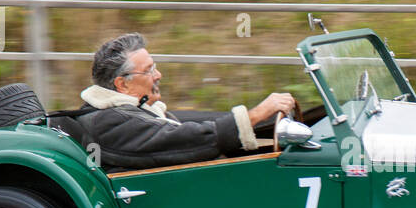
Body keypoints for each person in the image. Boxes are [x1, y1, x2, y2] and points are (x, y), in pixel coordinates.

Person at [66, 32, 295, 172]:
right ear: (122, 84)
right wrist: (256, 114)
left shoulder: (131, 112)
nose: (158, 75)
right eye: (149, 70)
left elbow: (181, 128)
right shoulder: (109, 121)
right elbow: (181, 139)